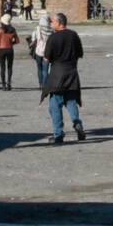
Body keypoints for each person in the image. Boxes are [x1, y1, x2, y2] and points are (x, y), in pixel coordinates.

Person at [41, 13, 85, 143]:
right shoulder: (74, 35)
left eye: (53, 22)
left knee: (55, 104)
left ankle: (58, 134)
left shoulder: (53, 38)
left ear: (60, 23)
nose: (51, 24)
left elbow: (46, 58)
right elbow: (80, 53)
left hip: (57, 73)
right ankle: (77, 123)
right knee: (71, 101)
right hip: (71, 71)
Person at [29, 10, 54, 88]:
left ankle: (40, 84)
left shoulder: (38, 29)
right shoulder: (51, 30)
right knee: (46, 69)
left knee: (39, 68)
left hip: (38, 51)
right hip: (48, 52)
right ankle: (45, 84)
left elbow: (33, 39)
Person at [0, 14, 19, 90]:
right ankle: (9, 83)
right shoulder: (13, 30)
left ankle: (3, 85)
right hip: (10, 49)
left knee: (2, 68)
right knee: (9, 67)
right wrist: (11, 42)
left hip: (2, 50)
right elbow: (17, 40)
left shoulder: (0, 31)